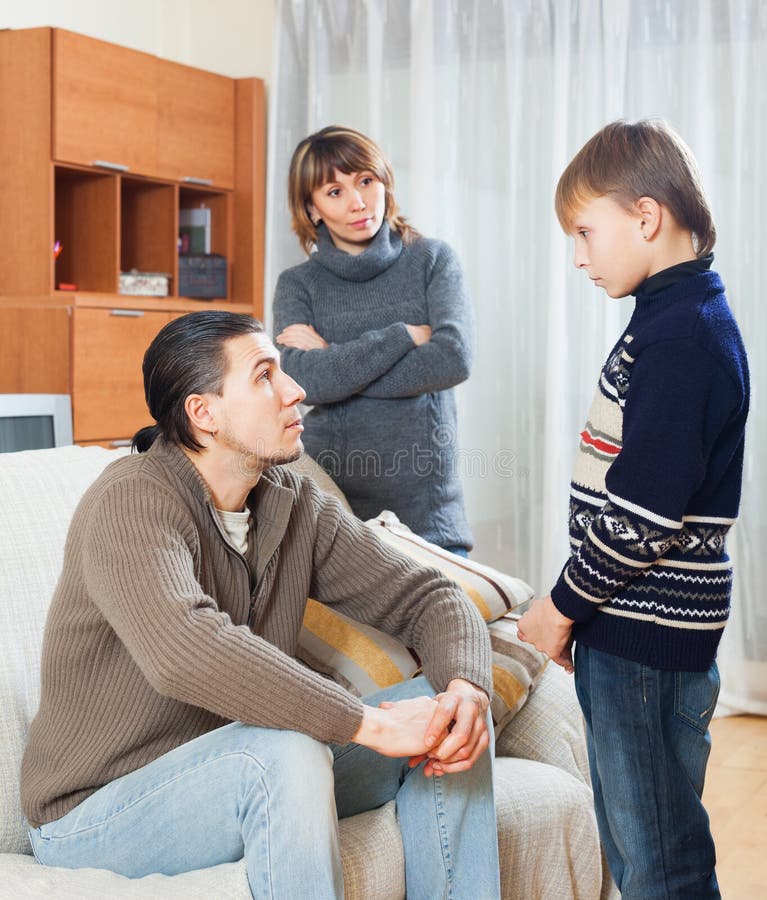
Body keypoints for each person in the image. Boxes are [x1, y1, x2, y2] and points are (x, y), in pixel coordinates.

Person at [20, 311, 501, 900]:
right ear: (205, 414)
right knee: (285, 750)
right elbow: (186, 651)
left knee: (445, 715)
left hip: (240, 765)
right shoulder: (131, 499)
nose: (295, 390)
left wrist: (468, 688)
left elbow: (431, 596)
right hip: (97, 811)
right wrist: (364, 723)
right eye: (265, 375)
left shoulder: (293, 503)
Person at [517, 119, 749, 899]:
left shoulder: (681, 338)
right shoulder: (670, 319)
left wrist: (557, 605)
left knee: (657, 860)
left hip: (643, 634)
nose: (578, 256)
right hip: (635, 628)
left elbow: (645, 518)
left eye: (584, 232)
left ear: (645, 218)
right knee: (634, 839)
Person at [273, 125, 474, 555]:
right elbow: (306, 382)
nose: (358, 202)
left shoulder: (432, 260)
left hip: (428, 510)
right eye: (334, 191)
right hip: (333, 504)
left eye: (366, 181)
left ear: (384, 182)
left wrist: (333, 356)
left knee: (452, 619)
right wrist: (402, 336)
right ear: (311, 209)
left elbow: (453, 359)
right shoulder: (297, 285)